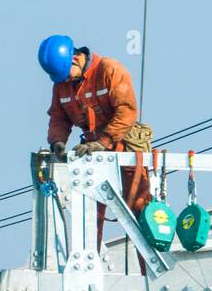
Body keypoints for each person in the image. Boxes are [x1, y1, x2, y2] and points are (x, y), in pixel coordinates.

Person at [38, 35, 152, 230]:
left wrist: (104, 141)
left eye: (66, 75)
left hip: (125, 146)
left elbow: (127, 111)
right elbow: (59, 117)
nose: (65, 81)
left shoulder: (110, 70)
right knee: (89, 215)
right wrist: (57, 141)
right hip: (93, 153)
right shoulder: (61, 84)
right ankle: (93, 257)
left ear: (75, 59)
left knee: (140, 209)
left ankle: (147, 259)